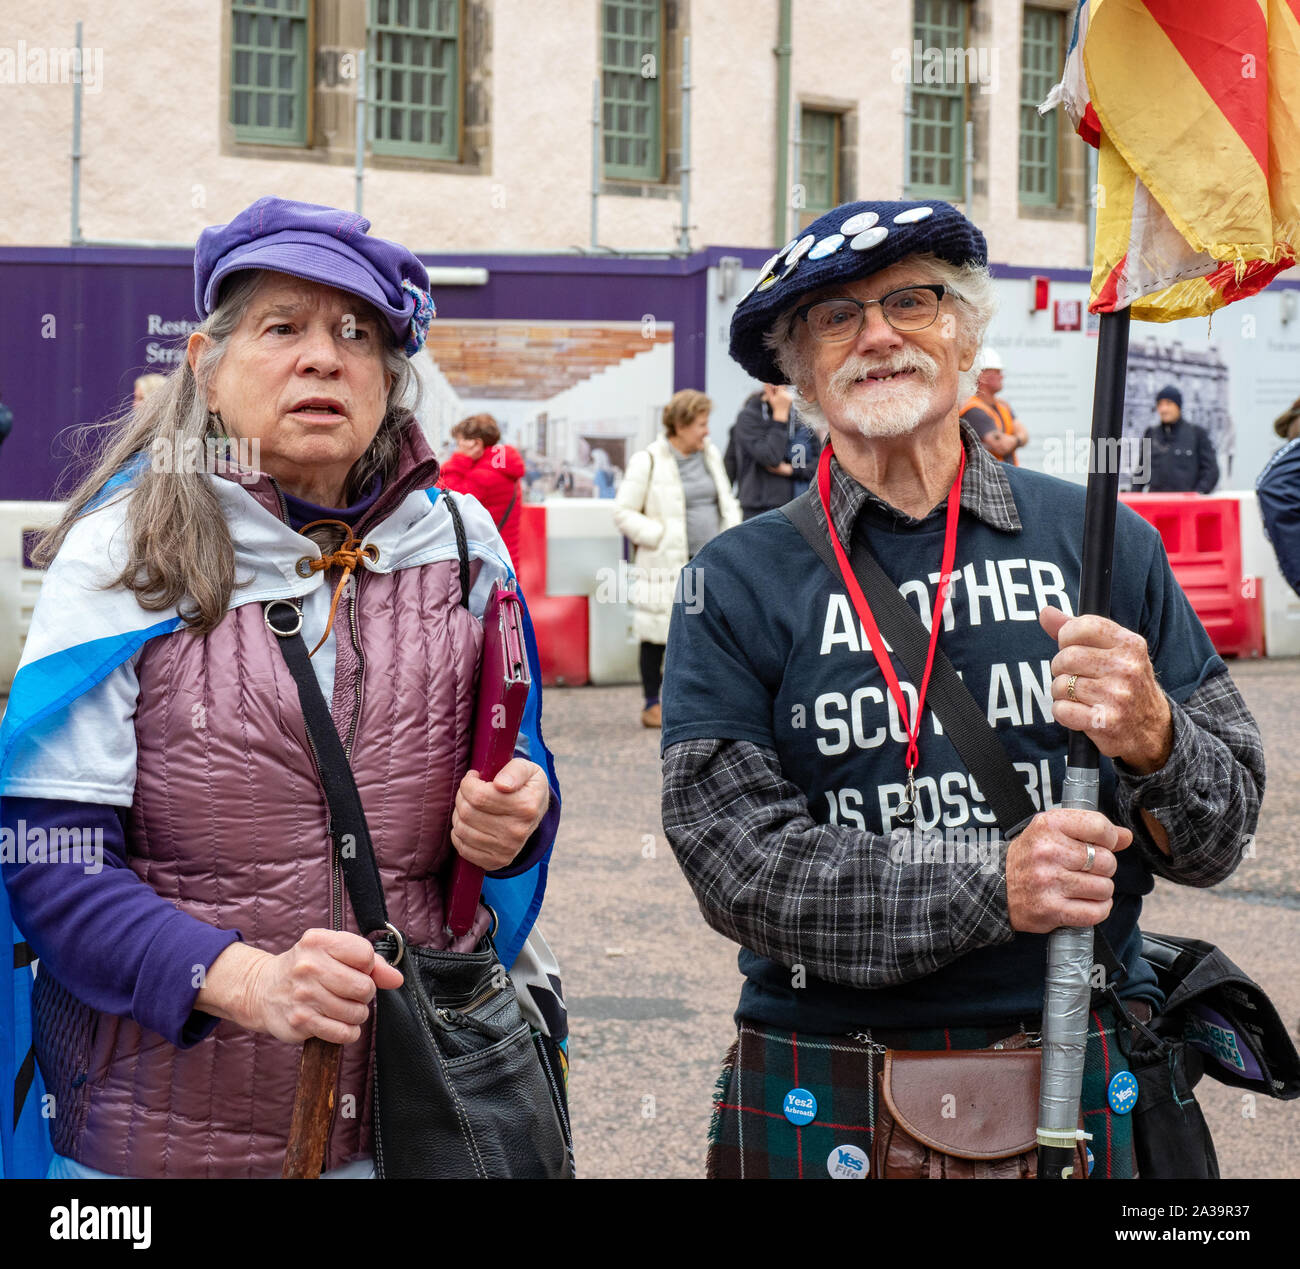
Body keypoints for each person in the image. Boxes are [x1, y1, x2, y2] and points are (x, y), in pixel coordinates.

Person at [660, 198, 1264, 1179]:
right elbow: (736, 863)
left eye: (913, 301)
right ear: (800, 373)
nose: (880, 334)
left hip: (1083, 1049)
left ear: (967, 334)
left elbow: (1220, 838)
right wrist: (994, 886)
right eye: (835, 317)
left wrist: (1158, 738)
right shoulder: (732, 579)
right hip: (825, 1077)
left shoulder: (1104, 540)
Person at [0, 196, 562, 1180]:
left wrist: (522, 814)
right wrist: (243, 981)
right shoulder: (124, 558)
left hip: (419, 1122)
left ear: (390, 382)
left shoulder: (467, 552)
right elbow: (49, 862)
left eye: (357, 334)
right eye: (281, 327)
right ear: (205, 369)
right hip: (162, 1142)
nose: (321, 357)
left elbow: (518, 769)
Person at [614, 389, 740, 729]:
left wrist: (733, 535)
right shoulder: (649, 460)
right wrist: (658, 536)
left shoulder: (709, 454)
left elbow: (725, 500)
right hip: (667, 563)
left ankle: (699, 702)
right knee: (656, 633)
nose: (706, 431)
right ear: (681, 426)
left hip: (711, 564)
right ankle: (652, 704)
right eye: (701, 424)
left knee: (707, 633)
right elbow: (623, 512)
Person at [438, 412, 526, 565]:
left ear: (476, 443)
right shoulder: (499, 466)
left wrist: (460, 459)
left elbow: (445, 496)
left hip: (491, 565)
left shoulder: (485, 474)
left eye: (459, 443)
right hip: (503, 556)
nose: (457, 449)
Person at [726, 383, 820, 518]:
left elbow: (820, 463)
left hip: (795, 506)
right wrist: (780, 416)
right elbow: (771, 457)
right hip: (758, 509)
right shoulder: (749, 417)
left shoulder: (799, 419)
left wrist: (792, 470)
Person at [1132, 386, 1219, 493]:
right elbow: (1141, 473)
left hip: (1185, 505)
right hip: (1156, 504)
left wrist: (1196, 495)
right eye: (1160, 404)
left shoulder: (1197, 434)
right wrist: (1134, 499)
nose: (1164, 409)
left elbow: (1211, 471)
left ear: (1178, 406)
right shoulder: (1151, 434)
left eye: (1168, 403)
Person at [960, 347, 1027, 464]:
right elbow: (1001, 446)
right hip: (990, 478)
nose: (1002, 376)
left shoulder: (1002, 405)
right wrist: (1018, 439)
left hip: (1006, 475)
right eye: (997, 372)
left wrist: (1015, 440)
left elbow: (1025, 434)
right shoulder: (973, 410)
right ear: (981, 376)